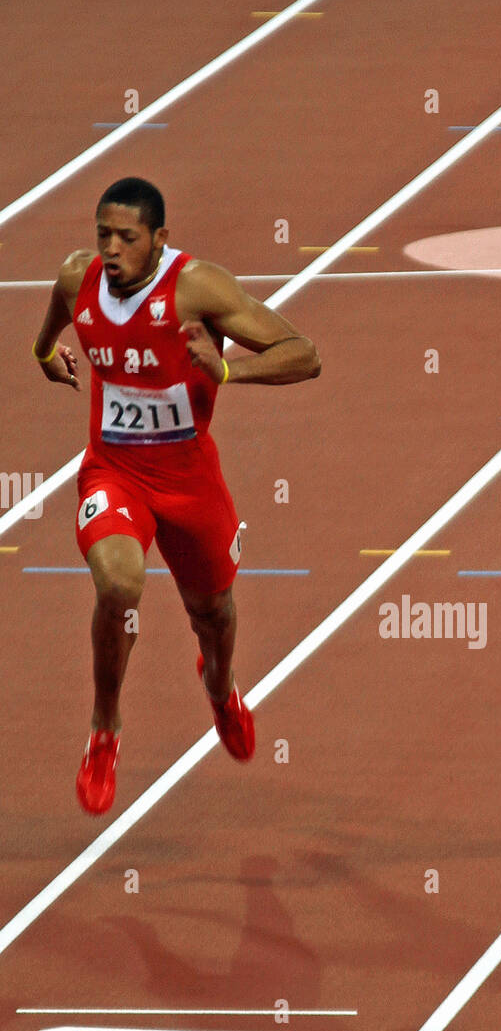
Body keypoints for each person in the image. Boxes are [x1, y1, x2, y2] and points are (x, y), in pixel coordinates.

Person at [32, 177, 321, 814]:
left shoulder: (196, 287)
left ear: (159, 239)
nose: (110, 249)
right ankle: (104, 729)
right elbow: (54, 322)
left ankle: (220, 688)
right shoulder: (76, 278)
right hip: (115, 474)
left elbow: (304, 354)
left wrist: (227, 368)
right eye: (102, 234)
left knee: (213, 614)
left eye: (126, 238)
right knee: (118, 584)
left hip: (190, 483)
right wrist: (43, 350)